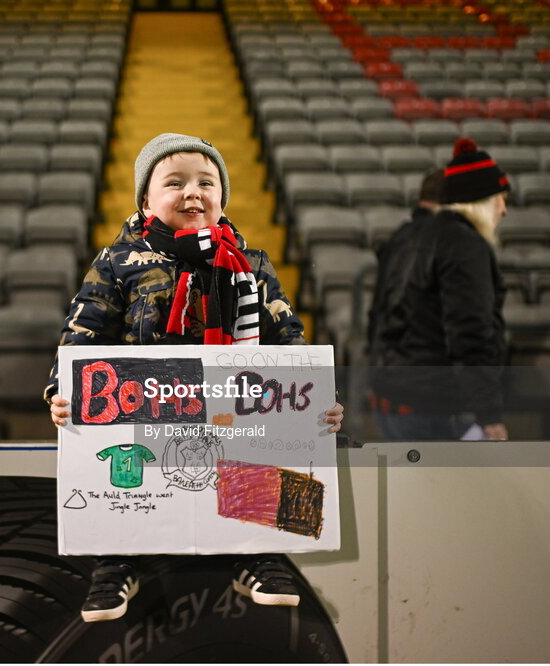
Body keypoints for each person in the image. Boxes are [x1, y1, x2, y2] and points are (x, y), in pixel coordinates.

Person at [44, 133, 344, 622]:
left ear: (222, 197)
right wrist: (63, 389)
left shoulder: (254, 263)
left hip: (228, 408)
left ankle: (260, 551)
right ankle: (117, 560)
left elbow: (288, 337)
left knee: (262, 429)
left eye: (207, 182)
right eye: (175, 182)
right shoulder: (117, 262)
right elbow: (81, 332)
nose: (193, 193)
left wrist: (319, 398)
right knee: (125, 476)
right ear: (145, 201)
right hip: (146, 407)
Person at [366, 138, 509, 442]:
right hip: (435, 404)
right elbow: (471, 332)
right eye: (500, 199)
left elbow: (378, 315)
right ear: (483, 201)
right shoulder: (465, 245)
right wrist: (489, 413)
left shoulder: (409, 235)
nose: (504, 210)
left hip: (393, 394)